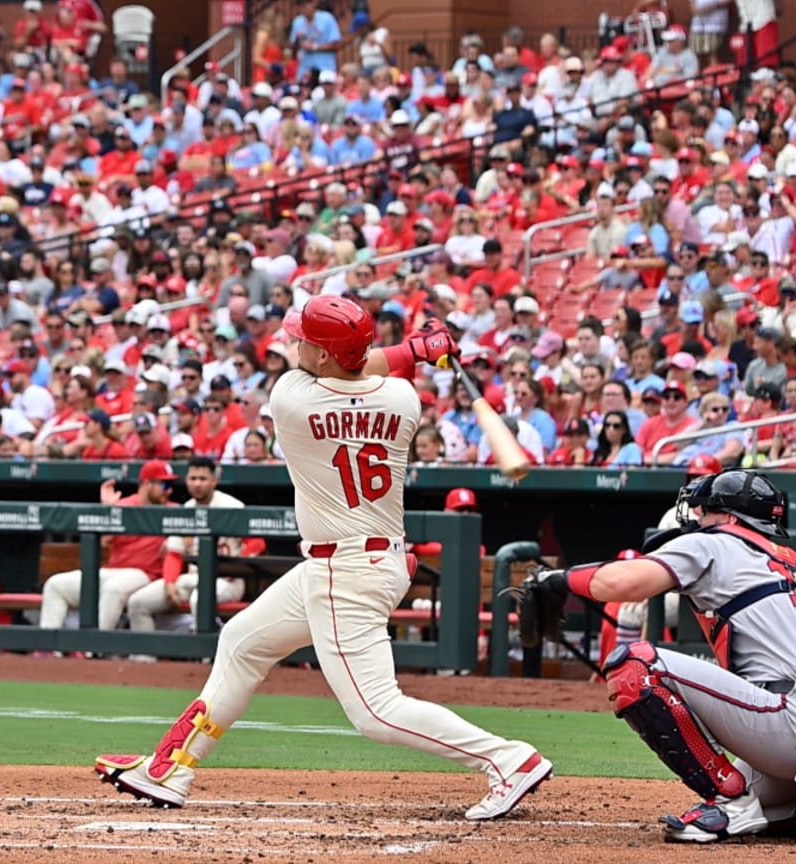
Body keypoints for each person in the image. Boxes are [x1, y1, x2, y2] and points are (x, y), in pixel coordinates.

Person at [97, 296, 551, 820]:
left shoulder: (290, 398)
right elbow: (363, 368)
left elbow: (359, 366)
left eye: (304, 342)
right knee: (242, 641)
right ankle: (171, 767)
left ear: (322, 356)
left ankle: (508, 759)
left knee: (376, 711)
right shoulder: (403, 399)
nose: (296, 347)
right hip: (363, 561)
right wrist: (419, 353)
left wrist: (414, 348)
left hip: (345, 572)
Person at [517, 470, 796, 844]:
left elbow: (624, 583)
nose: (698, 516)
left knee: (635, 664)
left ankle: (728, 799)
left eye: (705, 509)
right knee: (753, 811)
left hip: (789, 723)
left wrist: (557, 580)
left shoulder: (714, 542)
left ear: (729, 517)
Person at [124, 457, 261, 634]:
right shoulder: (186, 510)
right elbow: (174, 553)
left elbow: (256, 542)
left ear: (214, 481)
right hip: (191, 578)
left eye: (203, 479)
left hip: (225, 581)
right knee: (138, 603)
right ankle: (146, 652)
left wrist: (237, 565)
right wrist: (169, 582)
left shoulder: (232, 506)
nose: (197, 484)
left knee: (199, 600)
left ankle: (206, 650)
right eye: (193, 478)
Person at [38, 460, 175, 633]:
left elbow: (187, 542)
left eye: (170, 485)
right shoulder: (124, 505)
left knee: (113, 589)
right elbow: (104, 540)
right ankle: (49, 646)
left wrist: (174, 540)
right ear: (147, 483)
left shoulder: (175, 510)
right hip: (113, 571)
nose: (169, 490)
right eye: (165, 485)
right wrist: (107, 510)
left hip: (145, 575)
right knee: (55, 585)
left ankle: (92, 646)